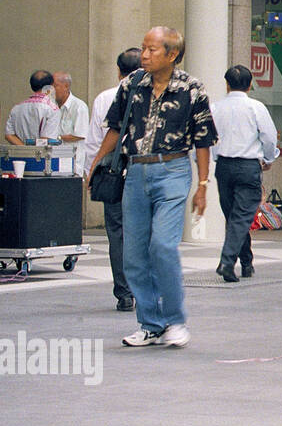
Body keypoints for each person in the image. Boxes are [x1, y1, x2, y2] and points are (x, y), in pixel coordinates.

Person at [87, 27, 217, 349]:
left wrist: (202, 185)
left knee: (162, 245)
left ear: (172, 55)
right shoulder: (132, 85)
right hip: (136, 172)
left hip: (173, 170)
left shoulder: (192, 89)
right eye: (143, 49)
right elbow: (116, 128)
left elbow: (203, 141)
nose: (144, 55)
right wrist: (97, 163)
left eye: (151, 50)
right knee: (133, 254)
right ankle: (150, 323)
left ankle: (174, 320)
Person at [210, 65, 280, 282]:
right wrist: (269, 158)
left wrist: (214, 158)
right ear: (250, 85)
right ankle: (227, 261)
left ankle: (247, 261)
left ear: (227, 84)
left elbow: (208, 138)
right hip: (248, 166)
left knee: (234, 216)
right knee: (241, 217)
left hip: (223, 166)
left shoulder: (215, 108)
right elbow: (269, 136)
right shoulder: (256, 107)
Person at [85, 47, 141, 312]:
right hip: (144, 172)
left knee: (117, 232)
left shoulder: (104, 97)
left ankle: (124, 292)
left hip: (113, 173)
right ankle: (143, 288)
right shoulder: (154, 94)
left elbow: (95, 141)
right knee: (143, 232)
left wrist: (91, 172)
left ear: (118, 70)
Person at [4, 70, 61, 144]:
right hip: (43, 154)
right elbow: (46, 140)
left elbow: (9, 135)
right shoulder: (52, 109)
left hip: (20, 155)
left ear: (32, 85)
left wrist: (25, 150)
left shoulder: (16, 108)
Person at [52, 72, 90, 175]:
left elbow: (79, 135)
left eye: (55, 86)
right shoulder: (50, 106)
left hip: (72, 165)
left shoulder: (79, 106)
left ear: (66, 86)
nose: (51, 90)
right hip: (53, 163)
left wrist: (56, 138)